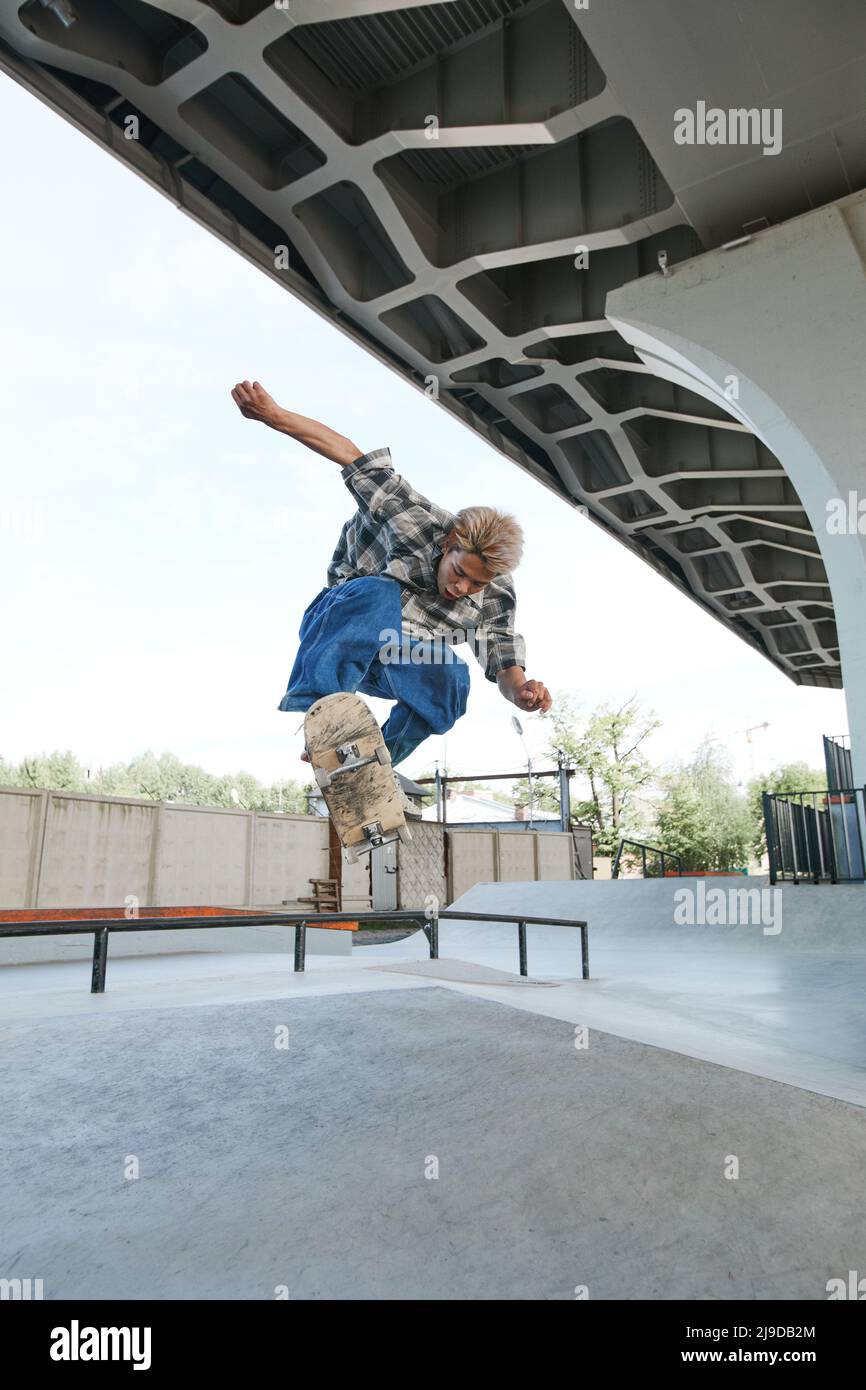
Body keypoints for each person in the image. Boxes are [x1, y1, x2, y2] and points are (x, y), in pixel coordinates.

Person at [231, 380, 552, 774]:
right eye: (459, 573)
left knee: (453, 678)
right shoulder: (411, 518)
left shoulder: (496, 592)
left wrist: (520, 690)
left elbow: (502, 658)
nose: (461, 589)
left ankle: (370, 765)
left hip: (396, 659)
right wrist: (275, 416)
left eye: (476, 584)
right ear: (449, 541)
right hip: (338, 631)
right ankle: (326, 713)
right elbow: (349, 453)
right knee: (380, 591)